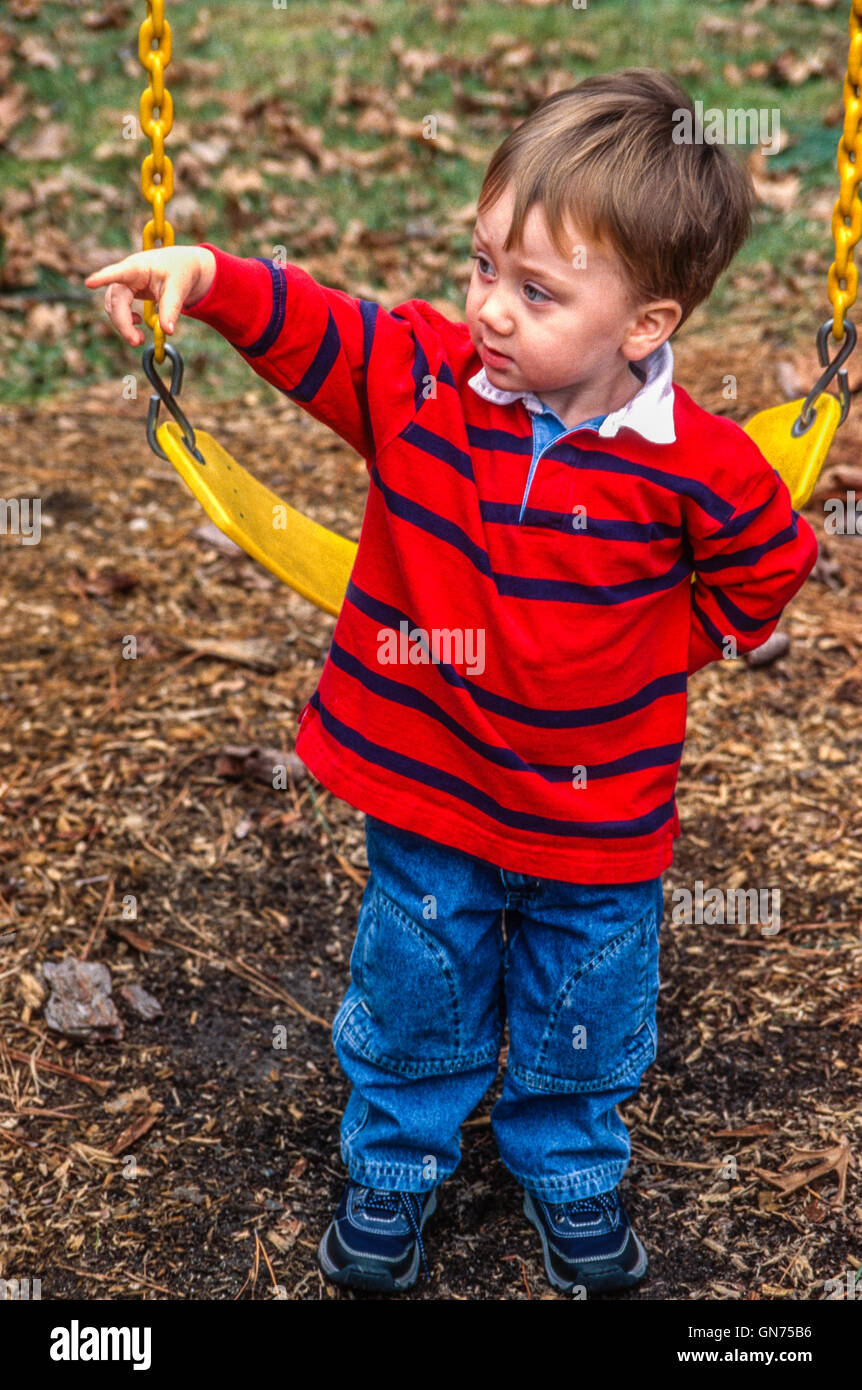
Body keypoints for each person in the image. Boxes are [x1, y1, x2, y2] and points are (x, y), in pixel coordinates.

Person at [86, 67, 818, 1297]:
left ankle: (570, 1170)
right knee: (416, 981)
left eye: (536, 291)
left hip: (598, 811)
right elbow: (323, 329)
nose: (489, 309)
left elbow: (766, 569)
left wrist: (654, 646)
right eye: (482, 265)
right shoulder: (425, 386)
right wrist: (207, 279)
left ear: (646, 324)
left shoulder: (702, 466)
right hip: (431, 784)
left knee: (585, 1000)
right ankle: (393, 1163)